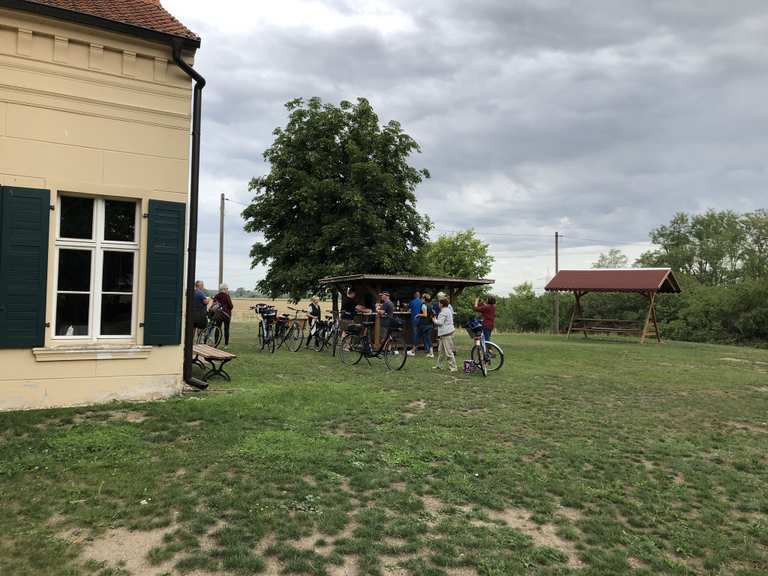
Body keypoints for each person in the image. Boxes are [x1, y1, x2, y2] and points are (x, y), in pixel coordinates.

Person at [433, 297, 457, 372]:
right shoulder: (448, 310)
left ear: (442, 304)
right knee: (441, 351)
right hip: (446, 333)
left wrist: (434, 320)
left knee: (448, 352)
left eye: (439, 303)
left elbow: (440, 323)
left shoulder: (443, 312)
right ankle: (439, 365)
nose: (438, 304)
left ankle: (453, 367)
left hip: (446, 333)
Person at [213, 283, 233, 348]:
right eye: (227, 289)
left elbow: (214, 304)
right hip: (226, 315)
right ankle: (226, 345)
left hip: (218, 314)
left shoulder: (216, 296)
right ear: (224, 289)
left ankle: (216, 344)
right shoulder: (227, 296)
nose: (227, 290)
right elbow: (231, 306)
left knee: (217, 328)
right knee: (226, 329)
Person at [418, 293, 434, 358]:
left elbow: (425, 314)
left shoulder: (424, 305)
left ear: (424, 299)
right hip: (430, 324)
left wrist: (418, 315)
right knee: (427, 338)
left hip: (425, 324)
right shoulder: (430, 305)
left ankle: (431, 353)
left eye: (422, 298)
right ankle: (429, 352)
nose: (421, 299)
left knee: (427, 338)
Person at [408, 290, 423, 356]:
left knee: (415, 334)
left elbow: (409, 309)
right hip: (421, 319)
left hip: (414, 319)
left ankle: (414, 348)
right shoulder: (422, 302)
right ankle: (416, 347)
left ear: (414, 295)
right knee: (419, 334)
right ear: (419, 296)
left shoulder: (412, 302)